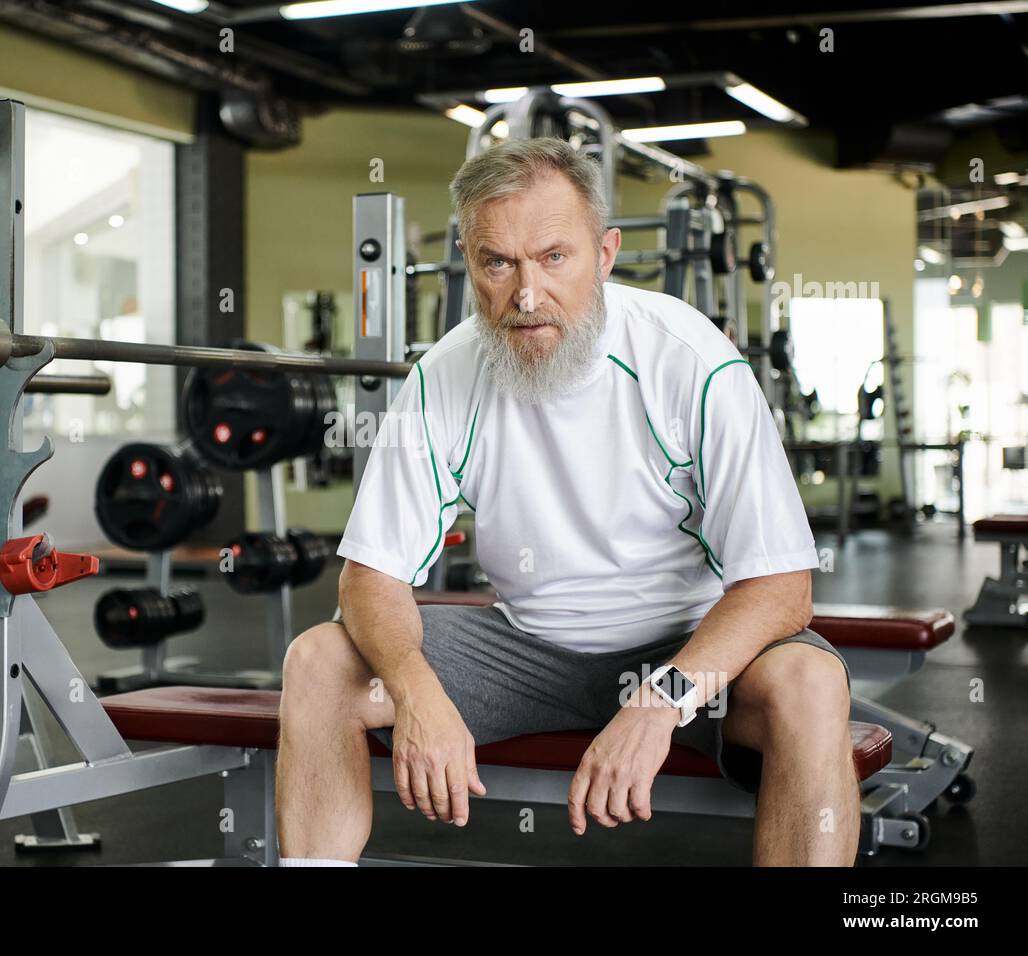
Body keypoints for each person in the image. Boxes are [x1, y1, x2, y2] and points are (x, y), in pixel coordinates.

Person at [276, 137, 855, 867]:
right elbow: (369, 577)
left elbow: (780, 588)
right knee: (320, 661)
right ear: (468, 260)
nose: (525, 294)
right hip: (525, 652)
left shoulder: (691, 361)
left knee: (809, 682)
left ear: (605, 255)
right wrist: (416, 692)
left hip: (688, 645)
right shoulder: (446, 376)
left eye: (554, 257)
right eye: (498, 263)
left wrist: (659, 702)